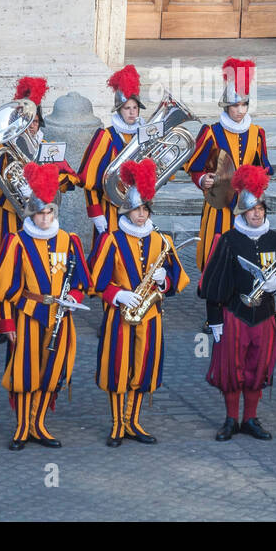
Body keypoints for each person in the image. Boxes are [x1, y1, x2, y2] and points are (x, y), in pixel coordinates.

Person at [199, 165, 276, 441]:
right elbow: (211, 284)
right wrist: (215, 320)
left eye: (260, 208)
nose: (256, 213)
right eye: (251, 209)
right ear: (241, 212)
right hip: (234, 314)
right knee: (232, 369)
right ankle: (231, 419)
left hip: (265, 316)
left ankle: (250, 418)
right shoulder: (228, 240)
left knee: (258, 368)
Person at [87, 159, 189, 446]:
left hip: (150, 314)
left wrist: (162, 280)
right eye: (136, 210)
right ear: (127, 211)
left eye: (145, 209)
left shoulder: (162, 240)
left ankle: (133, 421)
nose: (141, 215)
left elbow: (178, 278)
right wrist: (117, 294)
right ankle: (117, 424)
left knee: (143, 369)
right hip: (120, 315)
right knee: (118, 368)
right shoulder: (111, 241)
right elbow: (96, 281)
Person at [0, 162, 93, 450]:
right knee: (25, 372)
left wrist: (75, 296)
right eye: (40, 212)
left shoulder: (68, 240)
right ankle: (23, 427)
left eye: (49, 211)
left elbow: (80, 280)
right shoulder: (17, 242)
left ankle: (39, 425)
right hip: (27, 314)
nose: (45, 216)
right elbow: (4, 288)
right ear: (31, 213)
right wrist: (7, 323)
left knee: (51, 371)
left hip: (60, 316)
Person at [0, 75, 76, 343]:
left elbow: (69, 178)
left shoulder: (47, 148)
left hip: (40, 216)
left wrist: (53, 182)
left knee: (38, 270)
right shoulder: (1, 149)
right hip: (7, 216)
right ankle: (4, 323)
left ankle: (42, 316)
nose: (31, 126)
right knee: (6, 270)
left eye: (36, 122)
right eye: (28, 122)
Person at [185, 58, 274, 273]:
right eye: (235, 105)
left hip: (249, 205)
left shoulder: (257, 133)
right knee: (216, 255)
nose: (240, 110)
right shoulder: (211, 132)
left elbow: (264, 167)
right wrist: (201, 180)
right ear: (226, 106)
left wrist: (259, 181)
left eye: (244, 104)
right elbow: (195, 166)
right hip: (219, 206)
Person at [77, 65, 145, 243]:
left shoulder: (145, 135)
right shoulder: (106, 136)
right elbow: (89, 180)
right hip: (111, 209)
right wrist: (96, 213)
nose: (131, 112)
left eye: (135, 108)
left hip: (139, 208)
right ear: (119, 110)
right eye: (126, 108)